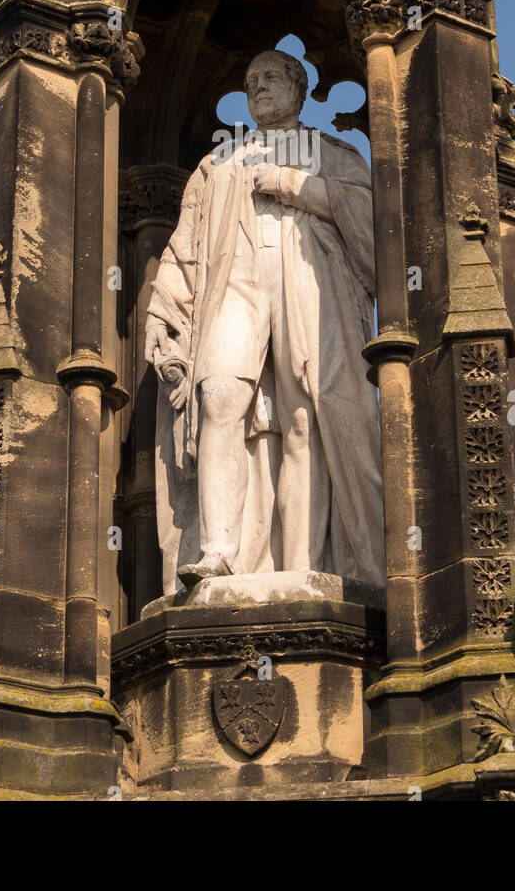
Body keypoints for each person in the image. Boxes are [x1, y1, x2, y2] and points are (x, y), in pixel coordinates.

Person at [145, 50, 385, 595]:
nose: (259, 88)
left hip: (308, 280)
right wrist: (163, 313)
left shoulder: (332, 153)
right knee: (219, 396)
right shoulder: (217, 165)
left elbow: (375, 235)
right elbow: (185, 247)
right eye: (251, 80)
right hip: (236, 283)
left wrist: (293, 184)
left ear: (300, 89)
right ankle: (219, 551)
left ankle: (303, 563)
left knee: (307, 414)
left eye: (272, 77)